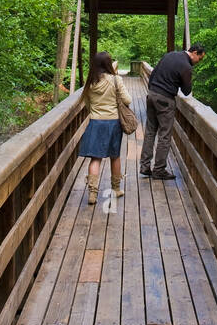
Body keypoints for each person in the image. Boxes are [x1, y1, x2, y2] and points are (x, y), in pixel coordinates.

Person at [140, 43, 205, 179]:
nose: (199, 62)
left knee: (150, 132)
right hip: (165, 99)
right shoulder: (186, 66)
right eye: (200, 58)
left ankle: (145, 166)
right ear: (194, 53)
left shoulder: (170, 55)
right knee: (165, 135)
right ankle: (159, 170)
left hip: (152, 94)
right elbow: (186, 91)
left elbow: (153, 74)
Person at [78, 51, 132, 205]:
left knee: (96, 158)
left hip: (96, 122)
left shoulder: (90, 82)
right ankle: (115, 190)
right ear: (109, 64)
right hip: (113, 122)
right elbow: (128, 99)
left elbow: (87, 104)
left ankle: (92, 194)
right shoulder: (116, 80)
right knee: (114, 156)